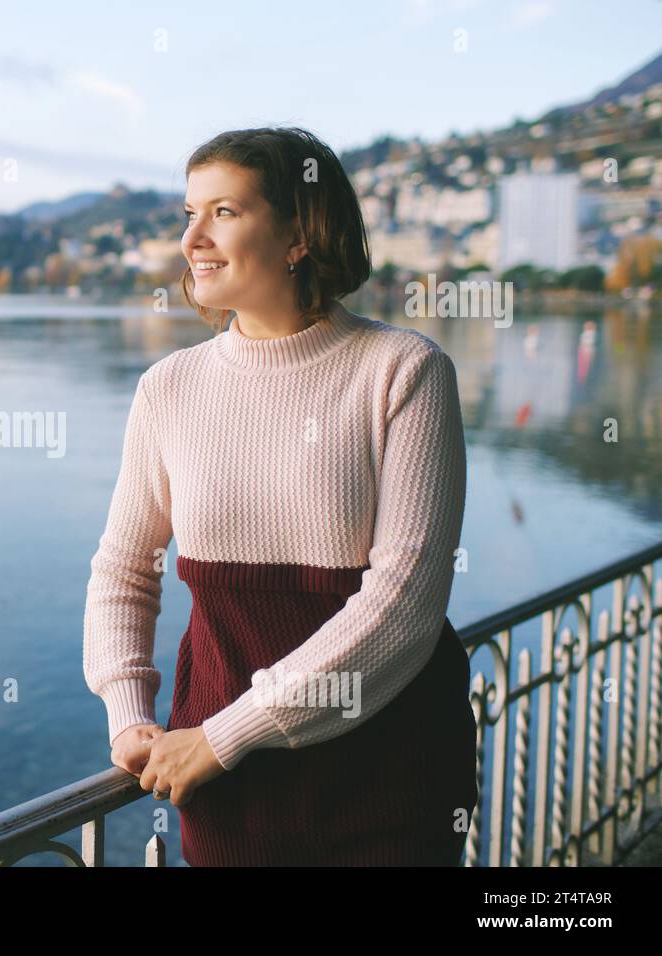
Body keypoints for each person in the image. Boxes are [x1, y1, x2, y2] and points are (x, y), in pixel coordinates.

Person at [82, 127, 478, 866]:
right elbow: (123, 569)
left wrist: (228, 734)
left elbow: (406, 602)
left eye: (224, 211)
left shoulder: (403, 371)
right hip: (226, 788)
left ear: (300, 234)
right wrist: (129, 715)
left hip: (386, 778)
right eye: (188, 212)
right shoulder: (169, 388)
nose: (192, 237)